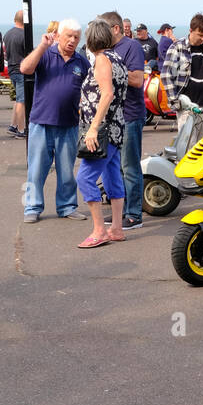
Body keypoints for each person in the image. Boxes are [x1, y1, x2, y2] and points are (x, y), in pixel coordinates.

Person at [18, 19, 91, 223]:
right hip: (41, 122)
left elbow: (90, 88)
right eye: (68, 35)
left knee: (67, 169)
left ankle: (67, 206)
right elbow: (25, 68)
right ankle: (32, 207)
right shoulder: (45, 54)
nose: (72, 40)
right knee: (36, 169)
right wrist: (42, 46)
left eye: (76, 37)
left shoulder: (81, 61)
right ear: (58, 36)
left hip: (68, 124)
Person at [75, 19, 128, 246]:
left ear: (90, 39)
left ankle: (99, 231)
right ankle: (116, 228)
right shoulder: (117, 58)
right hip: (115, 128)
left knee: (85, 178)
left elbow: (106, 94)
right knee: (112, 177)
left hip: (103, 130)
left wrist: (94, 128)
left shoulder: (102, 60)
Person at [100, 11, 146, 230]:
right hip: (113, 117)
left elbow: (137, 79)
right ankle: (120, 212)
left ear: (115, 29)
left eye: (104, 28)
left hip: (129, 114)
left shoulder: (132, 47)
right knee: (115, 167)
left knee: (129, 167)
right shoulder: (107, 50)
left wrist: (111, 71)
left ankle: (134, 214)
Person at [160, 13, 203, 116]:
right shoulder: (177, 47)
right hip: (187, 108)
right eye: (200, 35)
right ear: (191, 31)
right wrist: (175, 102)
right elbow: (166, 75)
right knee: (187, 133)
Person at [3, 10, 28, 138]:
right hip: (21, 69)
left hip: (12, 68)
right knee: (21, 101)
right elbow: (29, 54)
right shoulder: (24, 35)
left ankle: (13, 125)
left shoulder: (7, 34)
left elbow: (5, 53)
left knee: (18, 99)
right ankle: (21, 129)